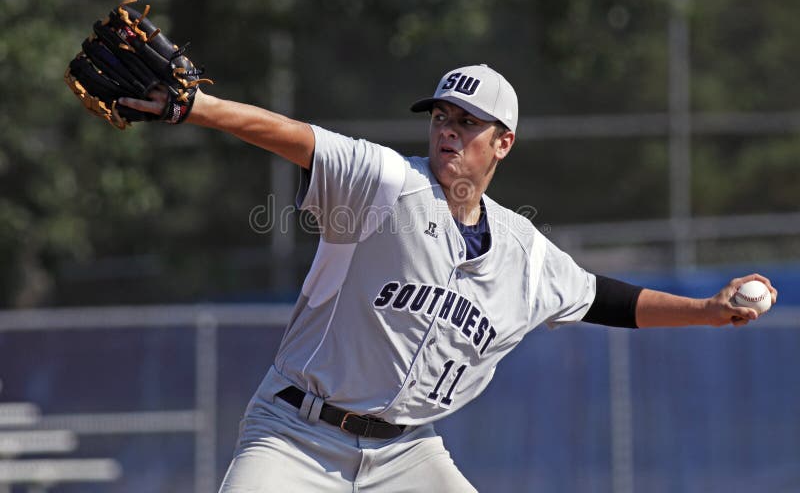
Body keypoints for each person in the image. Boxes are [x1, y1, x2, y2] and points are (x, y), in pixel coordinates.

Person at [120, 64, 777, 492]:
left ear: (504, 142)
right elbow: (299, 138)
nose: (448, 130)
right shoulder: (386, 184)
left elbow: (606, 299)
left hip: (406, 456)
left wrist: (708, 309)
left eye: (467, 122)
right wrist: (195, 110)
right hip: (295, 436)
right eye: (441, 117)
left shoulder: (525, 253)